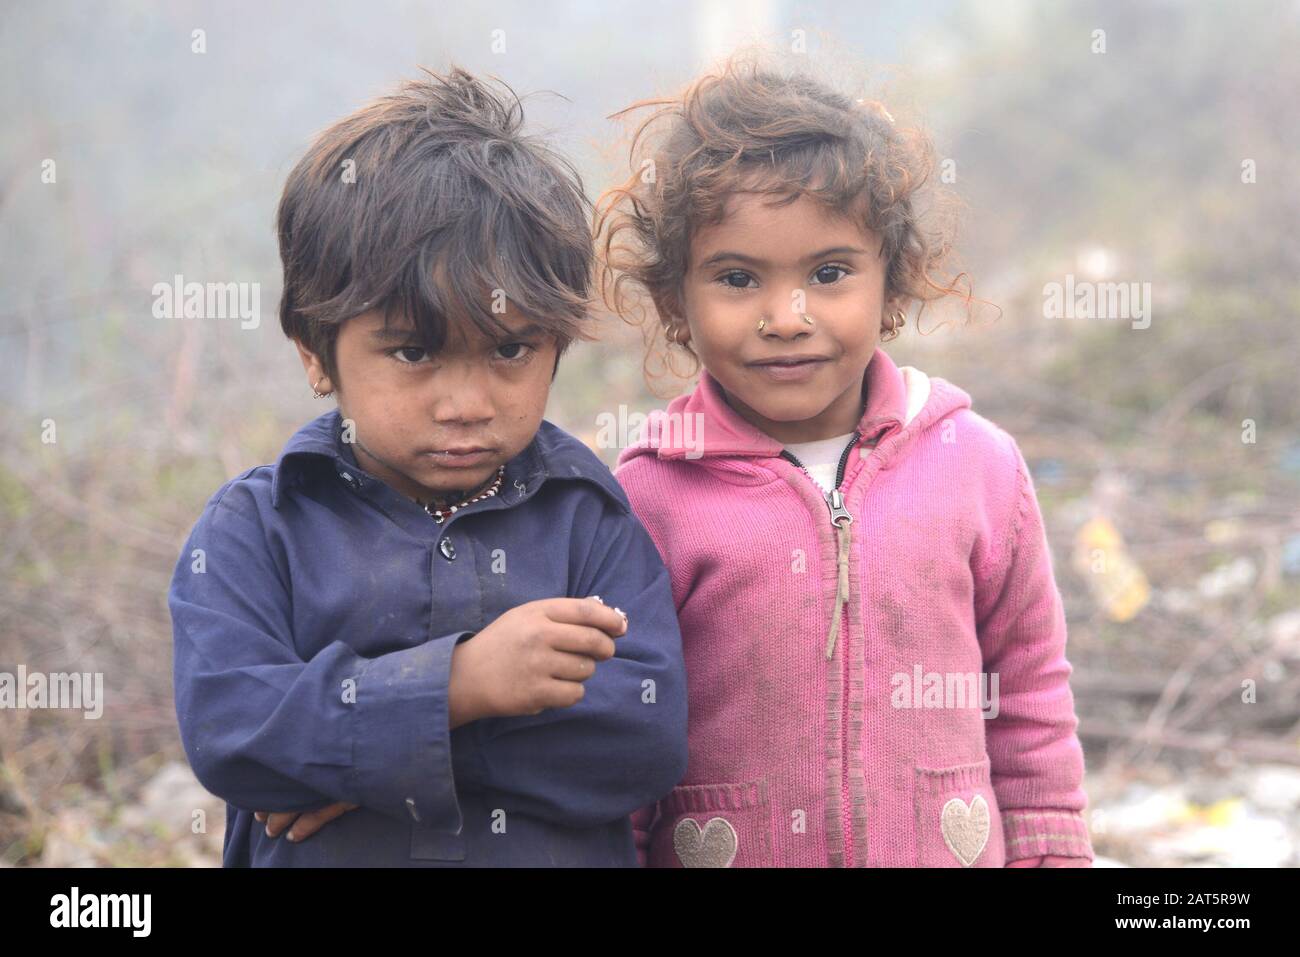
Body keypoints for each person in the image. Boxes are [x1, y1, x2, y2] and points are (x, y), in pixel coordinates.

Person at [169, 66, 688, 866]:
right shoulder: (257, 529)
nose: (466, 402)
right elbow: (235, 731)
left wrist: (374, 748)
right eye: (413, 351)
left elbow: (641, 737)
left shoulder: (589, 516)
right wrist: (463, 683)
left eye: (510, 350)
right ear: (315, 352)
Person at [597, 55, 1094, 867]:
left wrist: (1053, 855)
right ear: (674, 304)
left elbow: (1030, 696)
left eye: (829, 274)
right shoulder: (650, 496)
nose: (786, 317)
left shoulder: (977, 467)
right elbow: (623, 744)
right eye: (736, 278)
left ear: (891, 286)